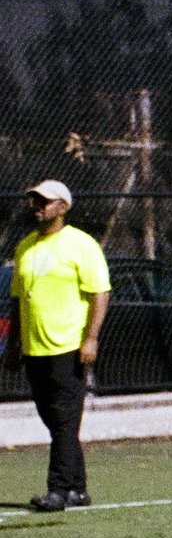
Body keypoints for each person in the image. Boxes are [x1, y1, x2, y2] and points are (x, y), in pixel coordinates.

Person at [8, 179, 110, 511]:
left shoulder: (81, 245)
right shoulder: (24, 246)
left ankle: (57, 490)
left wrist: (91, 338)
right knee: (54, 420)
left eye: (44, 201)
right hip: (34, 350)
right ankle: (77, 489)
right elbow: (17, 300)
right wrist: (13, 347)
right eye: (33, 201)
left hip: (68, 347)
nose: (36, 206)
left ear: (62, 207)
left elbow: (100, 293)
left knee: (65, 419)